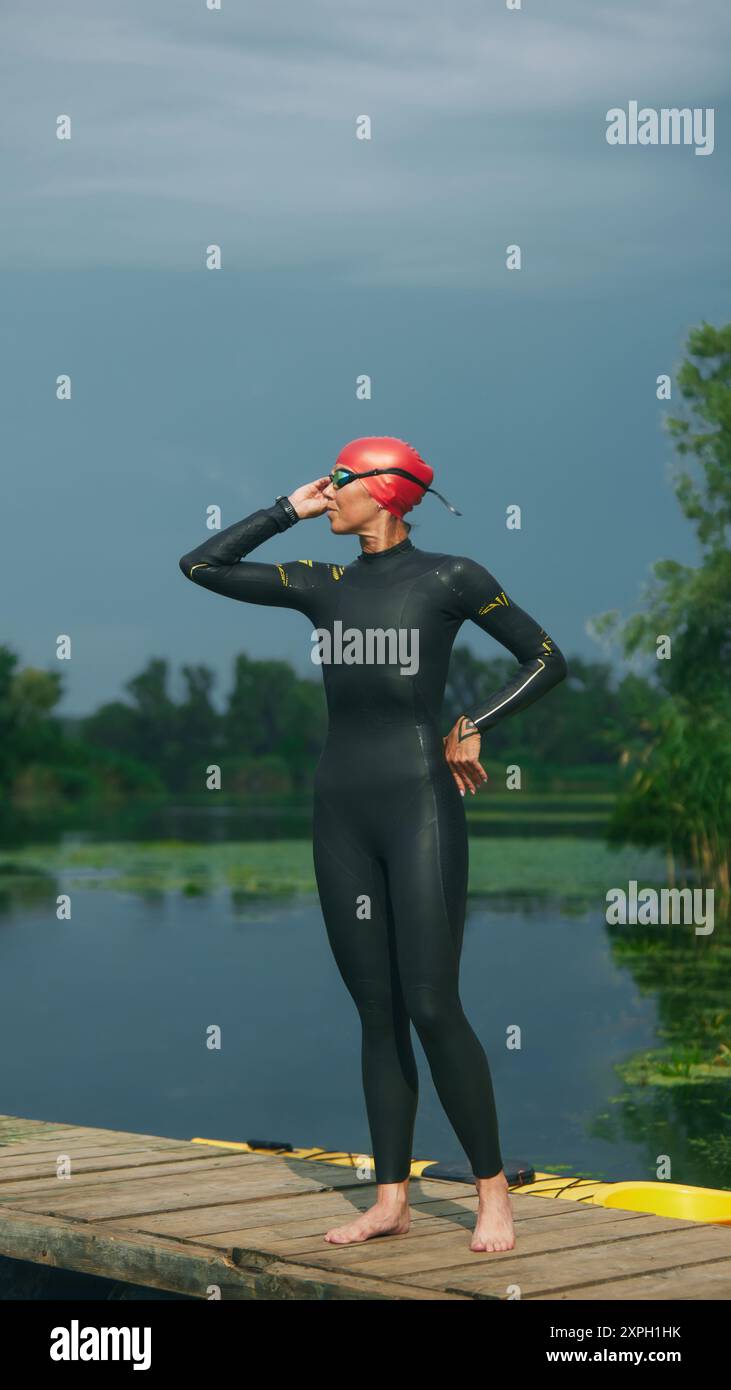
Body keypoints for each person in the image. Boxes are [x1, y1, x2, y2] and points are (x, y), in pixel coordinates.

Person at [179, 436, 568, 1252]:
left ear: (387, 493)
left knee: (430, 1003)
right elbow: (202, 567)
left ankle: (492, 1195)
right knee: (375, 1012)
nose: (332, 491)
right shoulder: (321, 585)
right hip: (340, 812)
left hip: (419, 804)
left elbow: (544, 658)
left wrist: (472, 724)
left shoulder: (451, 578)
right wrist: (288, 509)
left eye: (342, 480)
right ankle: (389, 1197)